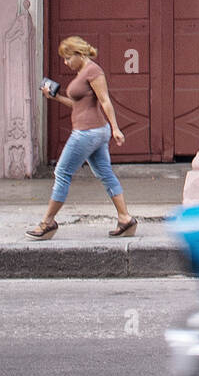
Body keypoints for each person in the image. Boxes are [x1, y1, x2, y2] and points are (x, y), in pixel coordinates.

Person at [26, 36, 137, 239]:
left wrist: (116, 128)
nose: (66, 63)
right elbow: (80, 105)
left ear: (79, 53)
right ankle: (125, 219)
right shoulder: (83, 73)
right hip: (94, 131)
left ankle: (47, 223)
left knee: (62, 172)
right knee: (105, 173)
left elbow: (105, 101)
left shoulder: (93, 71)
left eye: (68, 58)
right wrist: (56, 97)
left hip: (87, 132)